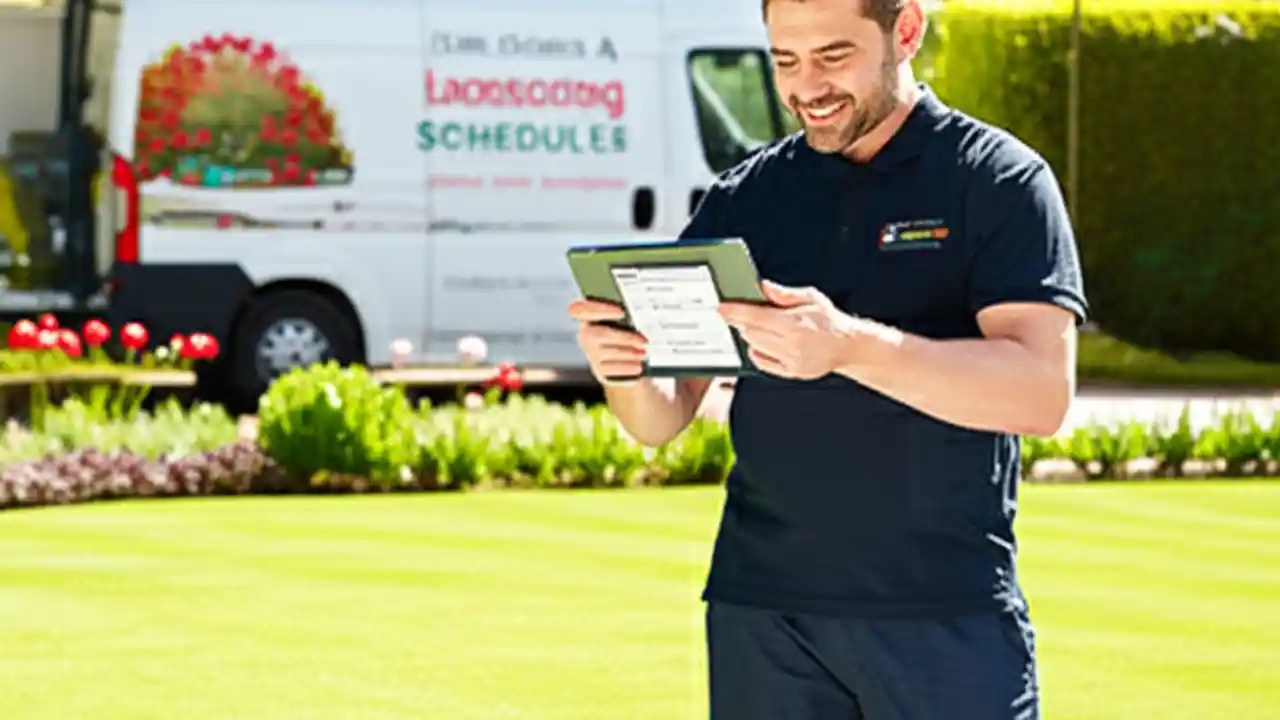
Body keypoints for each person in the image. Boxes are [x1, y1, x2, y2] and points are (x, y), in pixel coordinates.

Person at [567, 0, 1087, 717]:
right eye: (785, 60)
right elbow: (660, 419)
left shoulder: (996, 180)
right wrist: (620, 367)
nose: (805, 86)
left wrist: (847, 345)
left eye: (832, 57)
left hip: (942, 615)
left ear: (905, 32)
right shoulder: (746, 198)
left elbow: (1040, 394)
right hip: (764, 615)